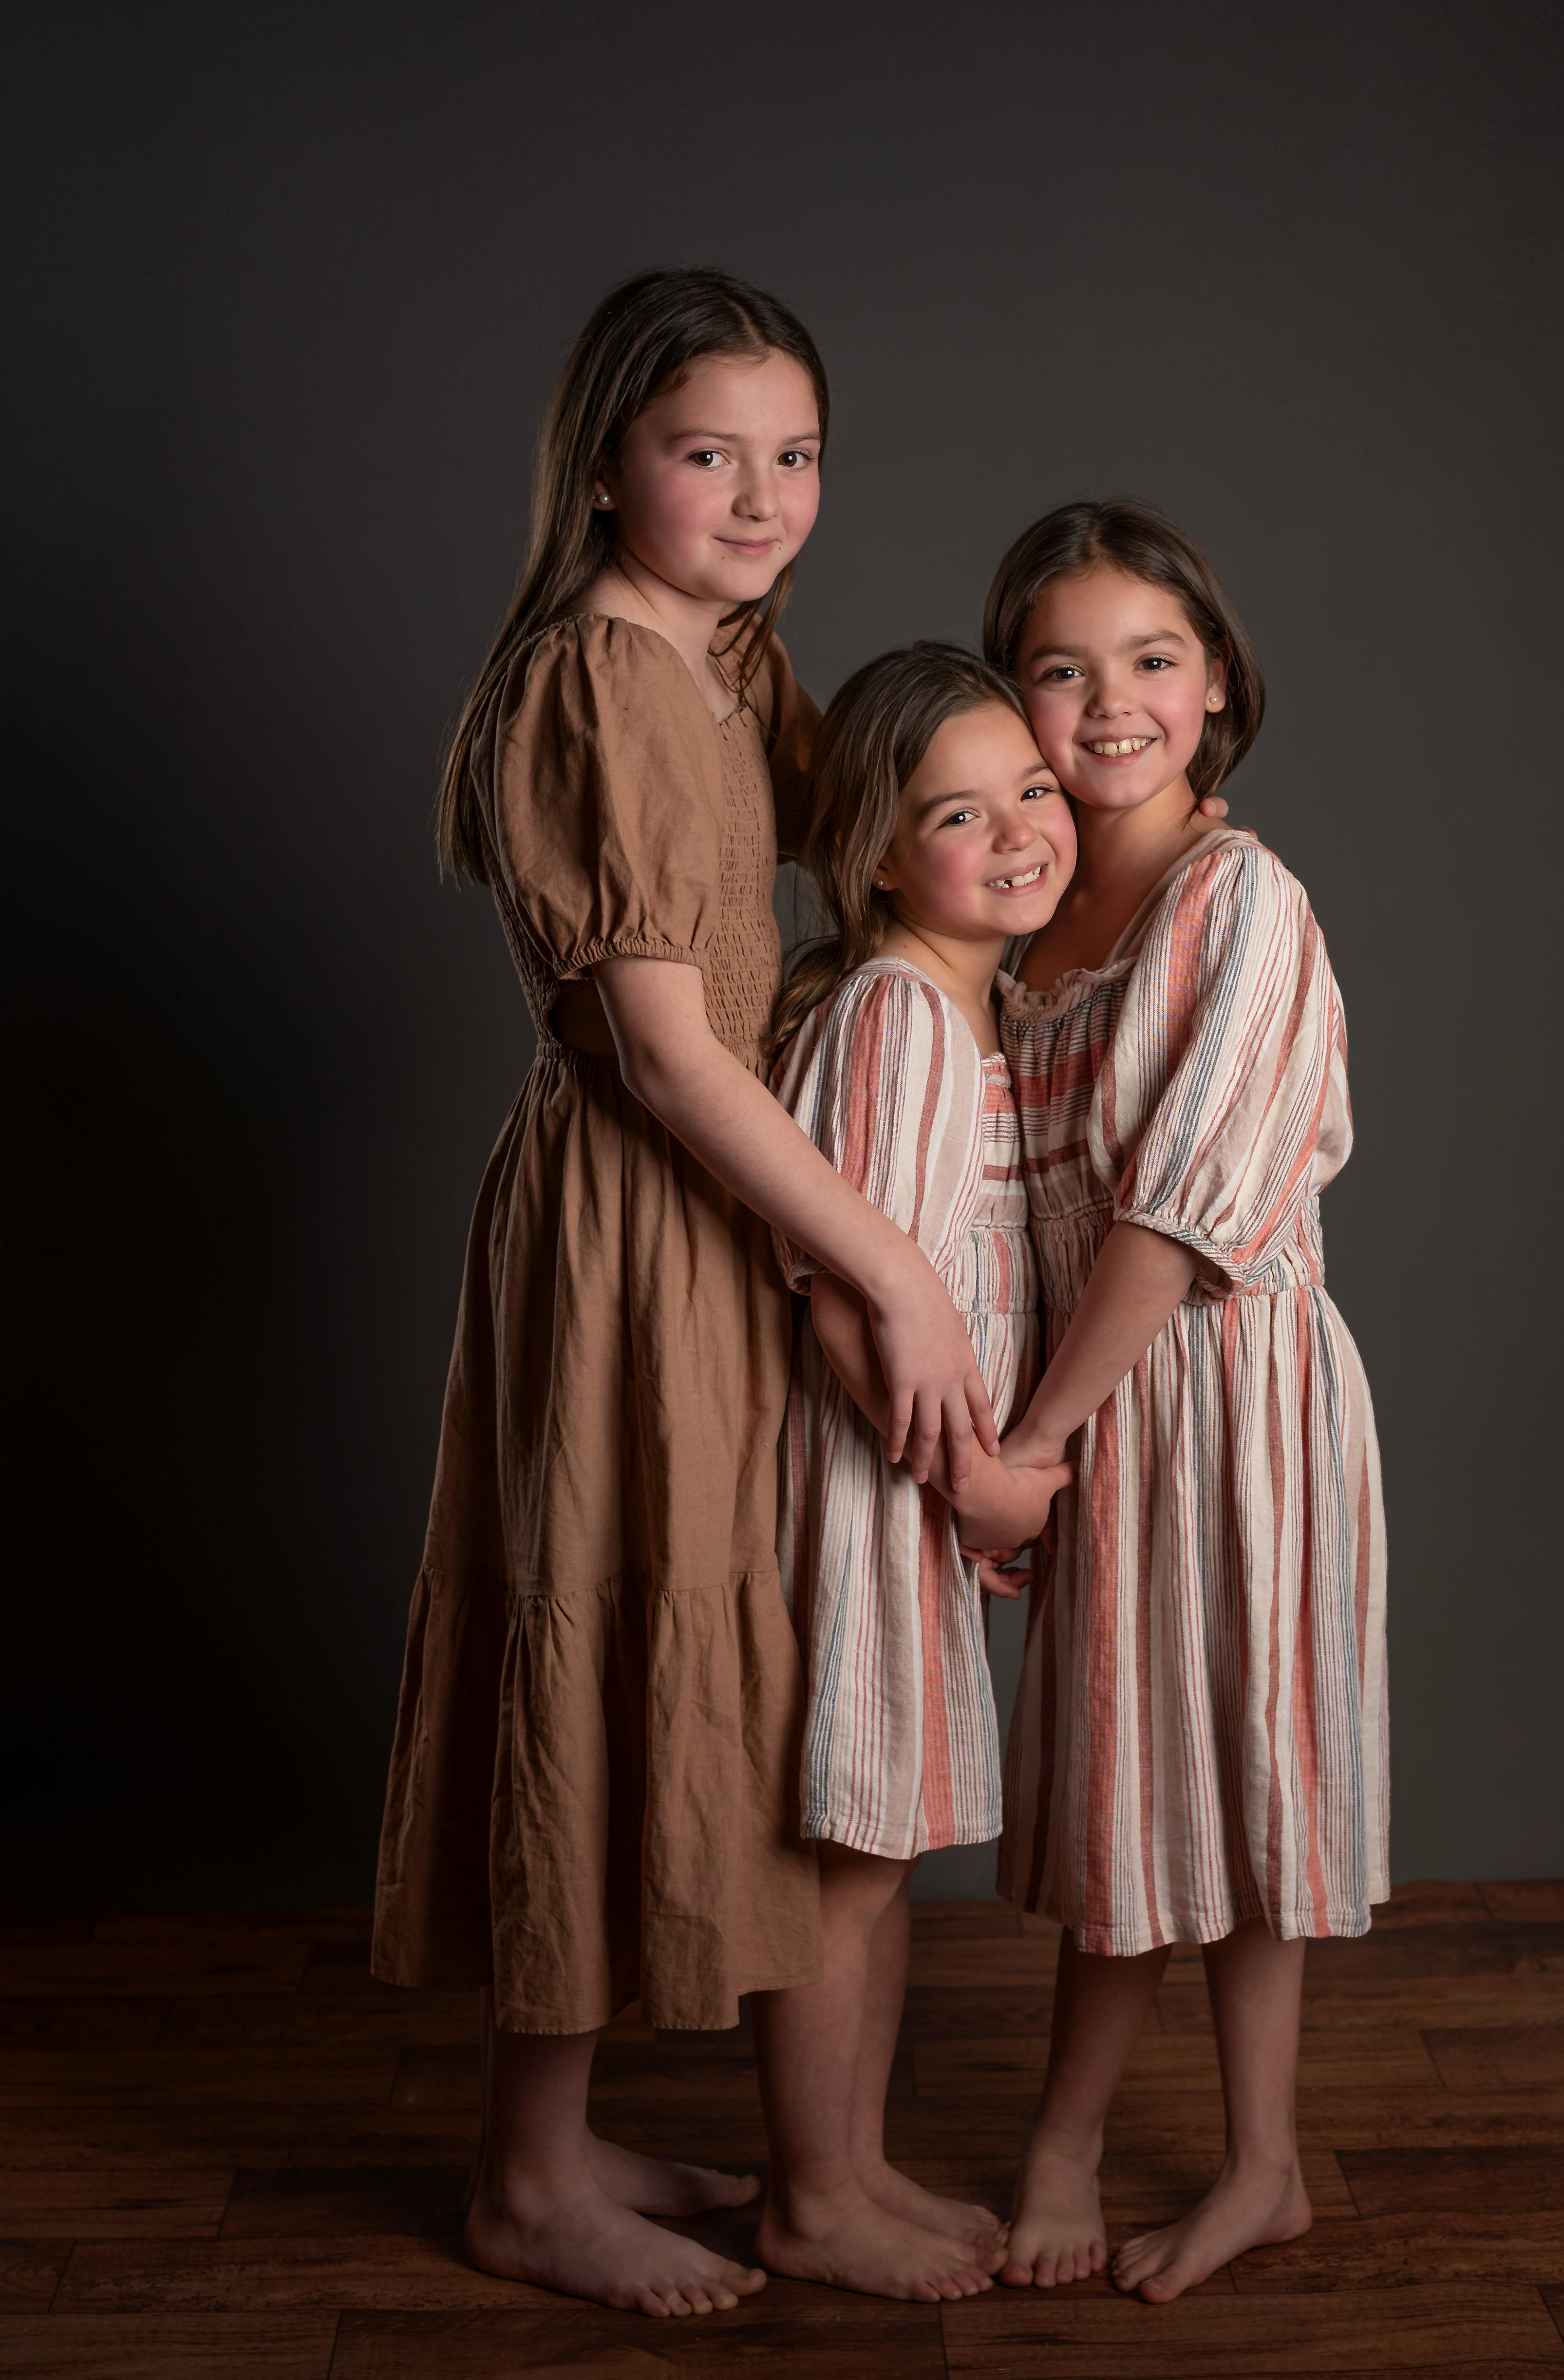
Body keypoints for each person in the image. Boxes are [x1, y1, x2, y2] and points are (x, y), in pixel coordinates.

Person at [371, 269, 998, 2321]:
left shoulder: (731, 662)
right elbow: (658, 1049)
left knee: (688, 1660)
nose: (758, 494)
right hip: (643, 1226)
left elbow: (891, 852)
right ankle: (524, 2184)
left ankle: (558, 2139)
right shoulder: (606, 673)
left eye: (794, 454)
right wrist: (892, 1266)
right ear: (608, 465)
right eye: (704, 452)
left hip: (723, 1222)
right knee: (602, 1637)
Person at [981, 502, 1390, 2301]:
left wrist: (1031, 1442)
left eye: (1149, 658)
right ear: (1015, 700)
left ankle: (1252, 2160)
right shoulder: (1025, 919)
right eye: (1059, 669)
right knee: (1121, 1798)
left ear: (1215, 683)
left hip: (1227, 1392)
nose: (1110, 701)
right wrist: (1020, 1426)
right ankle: (1085, 2141)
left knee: (1237, 1780)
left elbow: (1174, 1219)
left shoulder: (1244, 896)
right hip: (1091, 1405)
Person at [756, 643, 1074, 2298]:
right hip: (864, 1502)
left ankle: (852, 2163)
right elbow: (839, 1291)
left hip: (915, 1505)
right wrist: (970, 1491)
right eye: (965, 811)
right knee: (844, 1868)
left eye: (1033, 787)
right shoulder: (895, 1014)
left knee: (874, 1865)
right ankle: (810, 2197)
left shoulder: (965, 1005)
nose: (1022, 828)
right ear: (880, 852)